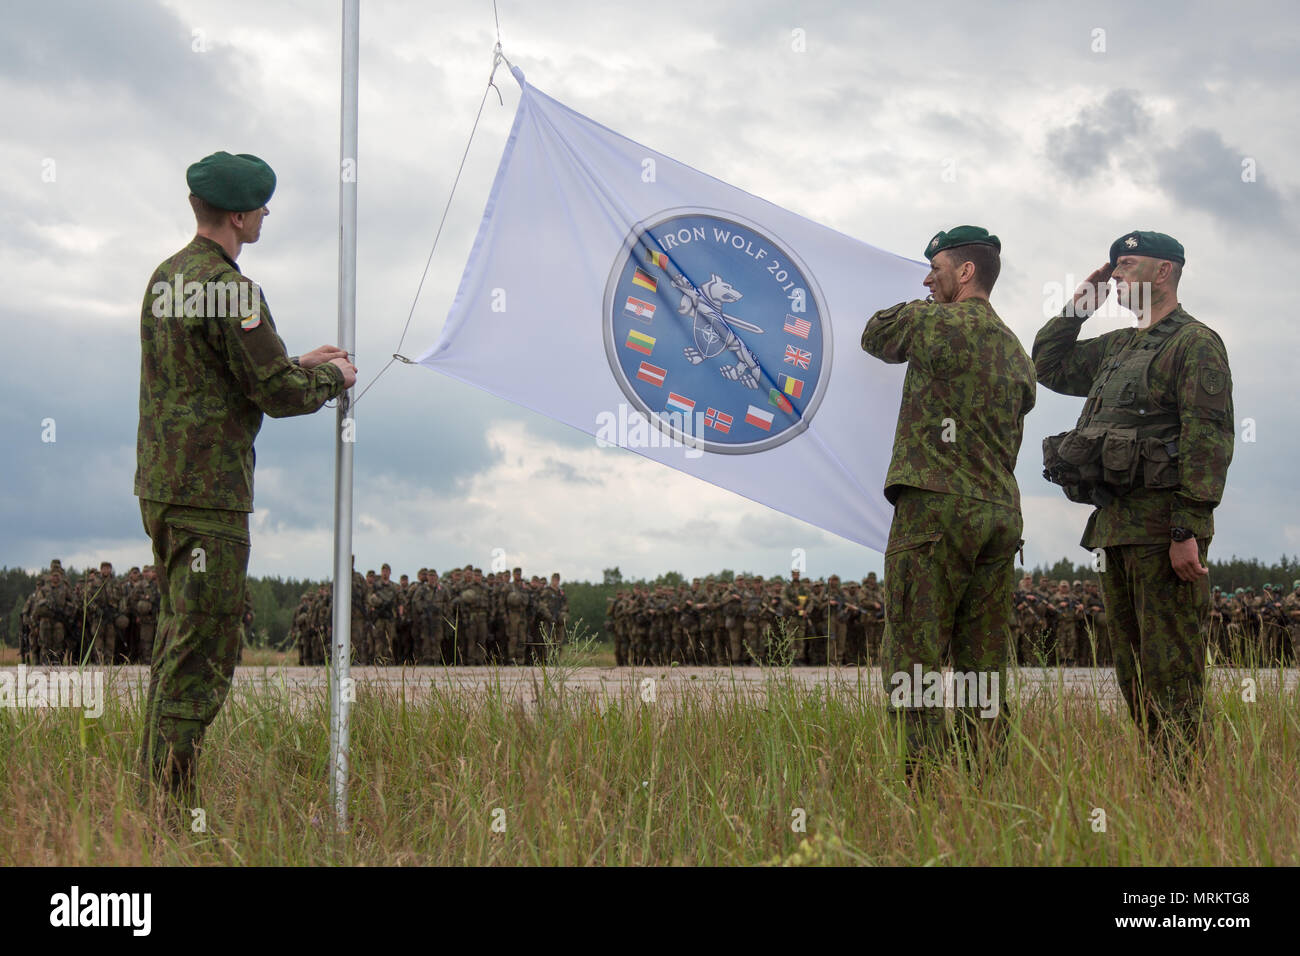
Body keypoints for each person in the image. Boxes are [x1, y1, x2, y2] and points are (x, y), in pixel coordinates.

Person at [135, 150, 356, 806]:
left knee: (176, 645)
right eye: (260, 205)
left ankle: (152, 802)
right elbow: (277, 392)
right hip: (210, 497)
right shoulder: (233, 290)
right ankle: (167, 819)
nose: (265, 214)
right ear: (236, 214)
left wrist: (294, 361)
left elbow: (219, 369)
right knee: (201, 658)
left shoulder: (167, 278)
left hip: (164, 489)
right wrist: (331, 377)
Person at [1034, 230, 1233, 769]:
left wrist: (1186, 528)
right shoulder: (1120, 347)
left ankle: (1182, 788)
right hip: (1116, 528)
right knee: (1133, 669)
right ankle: (1162, 782)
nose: (1115, 273)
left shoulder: (1193, 343)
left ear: (1164, 272)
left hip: (1163, 531)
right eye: (1114, 266)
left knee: (1172, 668)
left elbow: (1208, 437)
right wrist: (1080, 305)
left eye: (1127, 264)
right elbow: (1048, 366)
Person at [861, 225, 1036, 779]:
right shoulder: (1016, 351)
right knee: (983, 665)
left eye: (934, 269)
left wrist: (924, 305)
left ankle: (924, 785)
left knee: (913, 658)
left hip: (936, 510)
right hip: (999, 516)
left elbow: (875, 334)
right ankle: (984, 781)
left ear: (966, 272)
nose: (926, 279)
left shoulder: (933, 321)